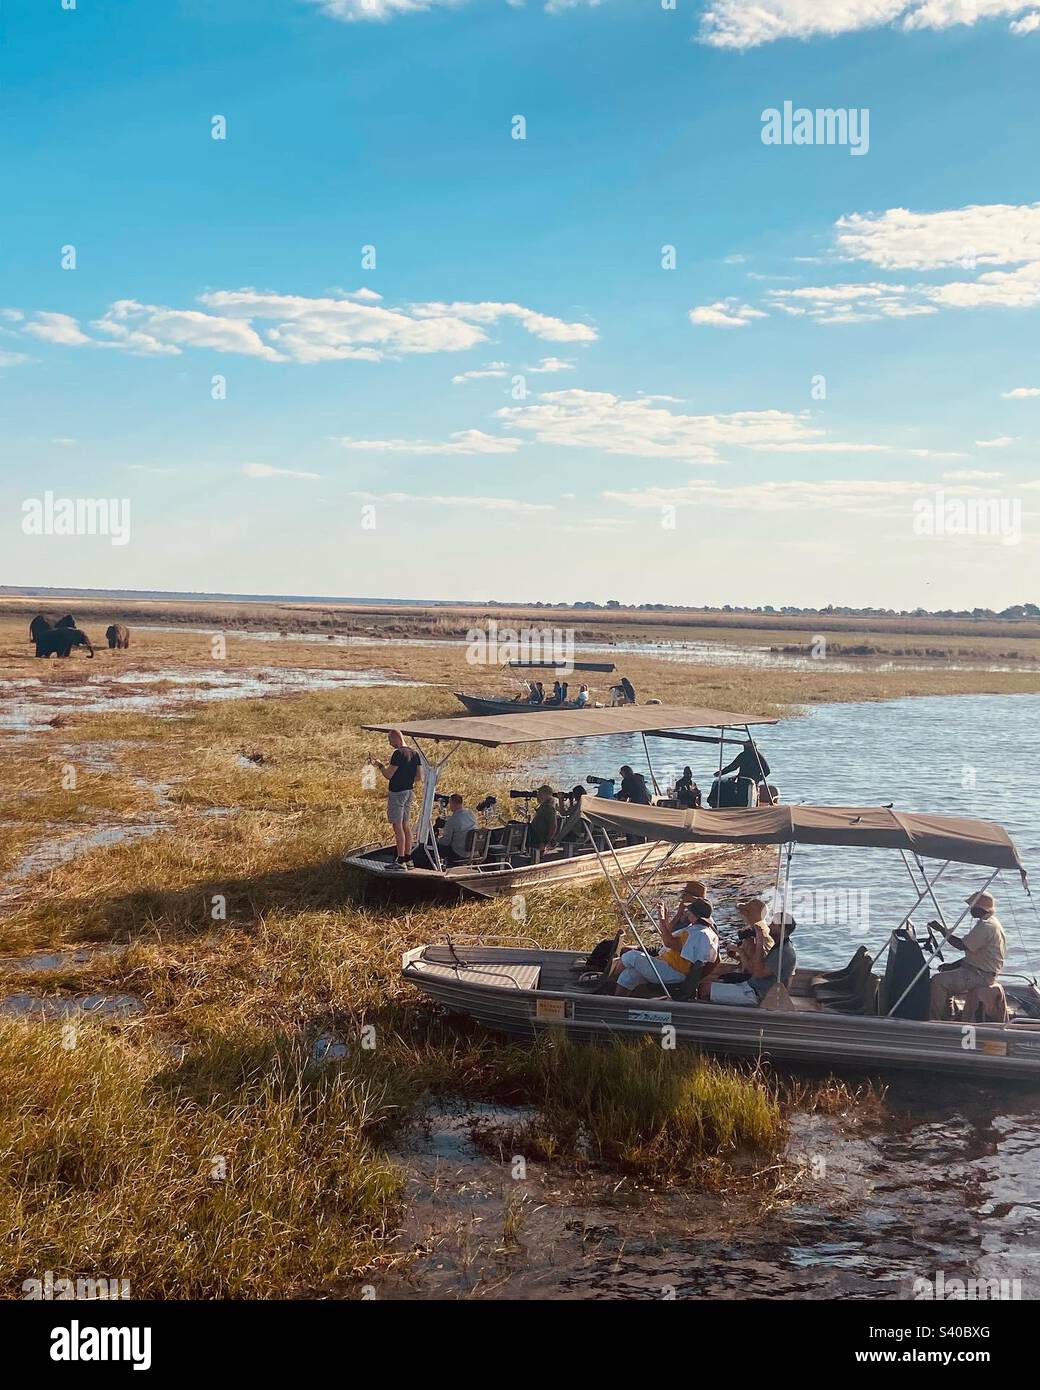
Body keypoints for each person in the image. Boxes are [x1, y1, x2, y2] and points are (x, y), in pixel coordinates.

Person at [611, 897, 718, 996]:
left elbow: (668, 942)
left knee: (631, 956)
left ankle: (606, 979)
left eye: (689, 911)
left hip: (673, 971)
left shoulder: (698, 934)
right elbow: (669, 936)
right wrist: (665, 918)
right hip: (667, 966)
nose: (687, 913)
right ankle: (617, 1003)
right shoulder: (699, 930)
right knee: (629, 975)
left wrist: (661, 919)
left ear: (695, 915)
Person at [928, 891, 1006, 1020]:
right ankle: (947, 1016)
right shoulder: (990, 923)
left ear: (980, 908)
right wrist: (952, 965)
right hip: (977, 970)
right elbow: (974, 954)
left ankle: (934, 1020)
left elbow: (961, 945)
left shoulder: (986, 926)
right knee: (946, 976)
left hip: (980, 975)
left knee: (938, 981)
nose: (970, 909)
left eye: (972, 906)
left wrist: (942, 930)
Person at [710, 902, 796, 1006]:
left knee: (704, 990)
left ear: (782, 929)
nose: (769, 926)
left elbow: (758, 972)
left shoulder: (783, 952)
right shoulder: (779, 947)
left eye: (773, 924)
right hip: (752, 986)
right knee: (709, 985)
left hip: (757, 994)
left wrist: (758, 942)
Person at [373, 730, 420, 868]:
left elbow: (388, 775)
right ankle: (408, 857)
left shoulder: (398, 754)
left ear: (396, 739)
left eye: (390, 740)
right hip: (409, 791)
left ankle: (400, 860)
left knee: (397, 825)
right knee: (406, 825)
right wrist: (407, 778)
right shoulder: (415, 753)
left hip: (397, 792)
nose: (390, 743)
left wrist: (380, 765)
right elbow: (418, 777)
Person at [434, 793, 477, 866]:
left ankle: (434, 868)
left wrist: (436, 840)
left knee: (434, 847)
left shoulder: (452, 820)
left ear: (452, 804)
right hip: (473, 851)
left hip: (458, 852)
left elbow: (446, 842)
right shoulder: (470, 813)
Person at [529, 784, 558, 851]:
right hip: (535, 835)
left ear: (547, 795)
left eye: (541, 794)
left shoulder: (549, 808)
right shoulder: (544, 806)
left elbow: (553, 826)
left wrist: (545, 842)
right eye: (538, 794)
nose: (538, 796)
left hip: (538, 838)